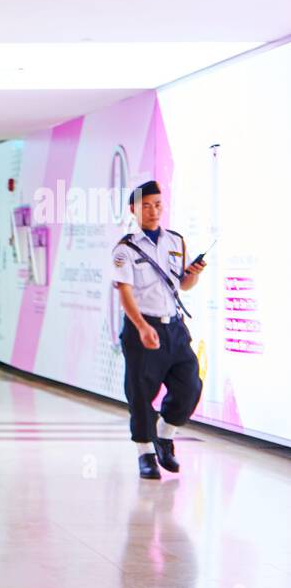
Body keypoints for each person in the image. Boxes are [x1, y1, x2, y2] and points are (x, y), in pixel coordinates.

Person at [111, 180, 206, 480]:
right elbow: (124, 292)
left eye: (158, 205)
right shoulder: (124, 249)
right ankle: (145, 455)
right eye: (147, 206)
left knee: (190, 385)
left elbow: (183, 285)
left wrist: (194, 275)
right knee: (140, 393)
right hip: (143, 327)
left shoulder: (176, 241)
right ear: (133, 209)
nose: (154, 211)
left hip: (174, 328)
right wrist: (140, 326)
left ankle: (164, 435)